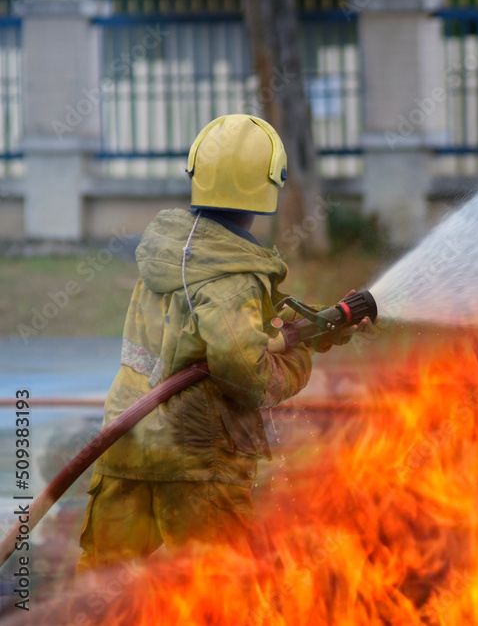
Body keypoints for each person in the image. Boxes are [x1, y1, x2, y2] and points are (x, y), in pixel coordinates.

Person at [76, 114, 369, 571]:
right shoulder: (233, 278)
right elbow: (248, 376)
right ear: (271, 183)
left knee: (98, 593)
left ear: (197, 172)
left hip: (126, 443)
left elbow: (214, 336)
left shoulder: (168, 252)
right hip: (198, 459)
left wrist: (306, 332)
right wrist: (302, 356)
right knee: (220, 592)